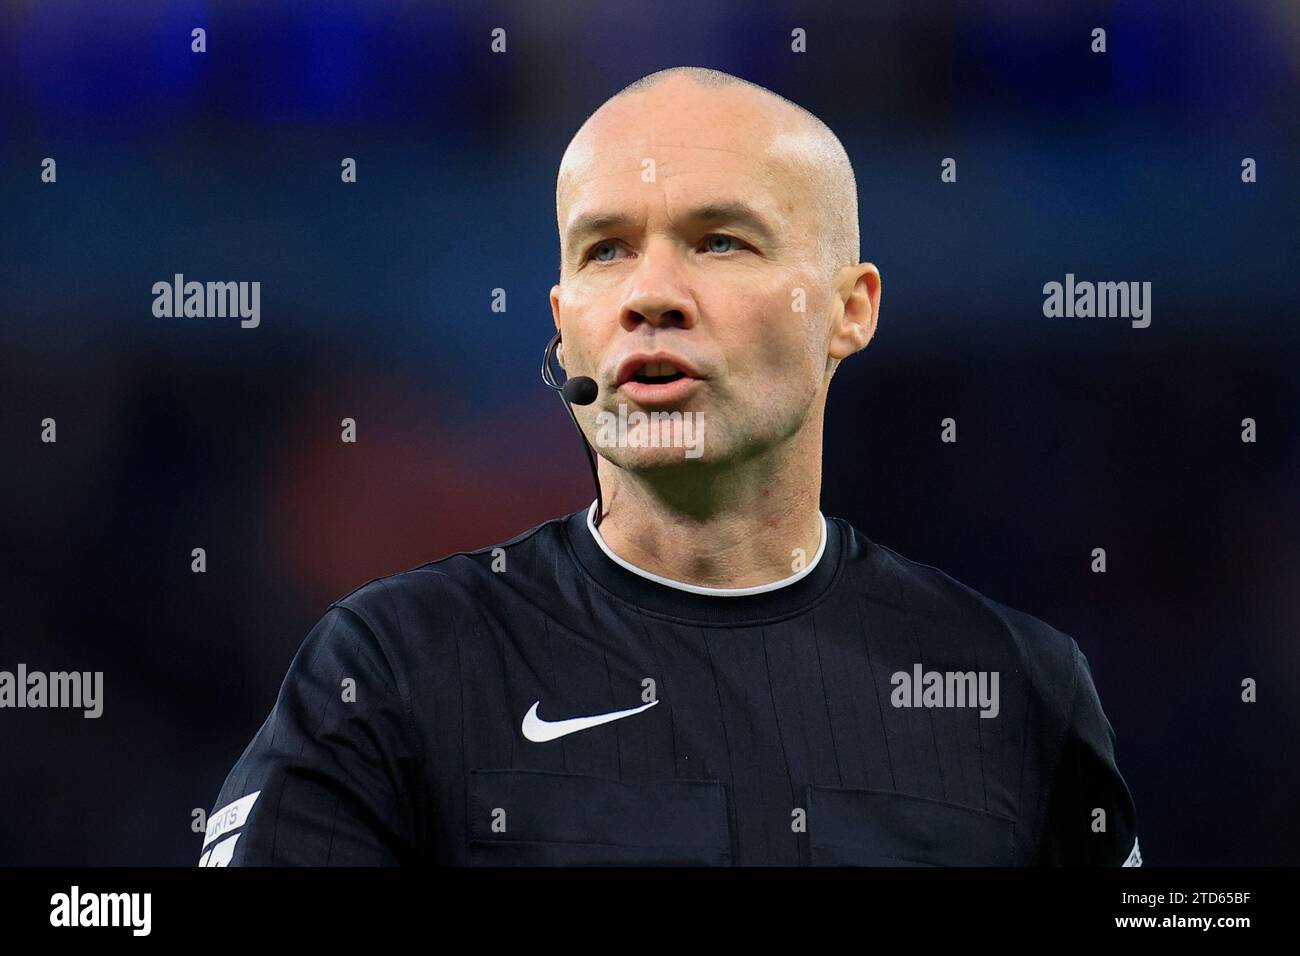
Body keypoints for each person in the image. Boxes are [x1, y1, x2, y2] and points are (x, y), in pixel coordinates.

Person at [200, 66, 1139, 867]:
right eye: (606, 251)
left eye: (719, 240)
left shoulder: (1014, 689)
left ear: (851, 310)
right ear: (565, 326)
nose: (651, 295)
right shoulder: (395, 667)